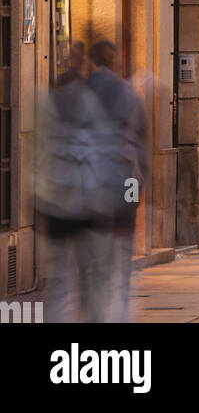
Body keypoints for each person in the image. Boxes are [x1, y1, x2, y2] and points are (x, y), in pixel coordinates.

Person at [35, 42, 114, 322]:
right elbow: (104, 154)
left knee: (58, 277)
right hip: (84, 204)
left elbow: (39, 155)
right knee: (89, 273)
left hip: (57, 204)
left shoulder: (48, 107)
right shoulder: (90, 105)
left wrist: (39, 194)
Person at [86, 39, 150, 323]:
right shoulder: (128, 93)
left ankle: (97, 307)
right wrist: (139, 188)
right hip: (126, 180)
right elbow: (142, 144)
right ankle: (121, 310)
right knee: (123, 247)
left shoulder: (84, 93)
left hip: (95, 182)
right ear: (114, 61)